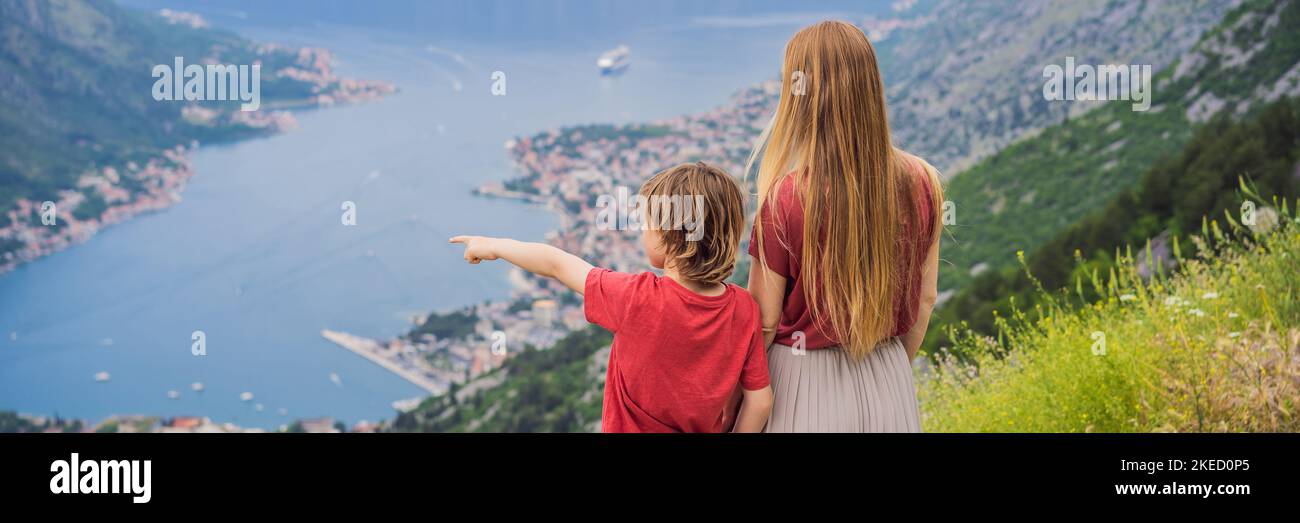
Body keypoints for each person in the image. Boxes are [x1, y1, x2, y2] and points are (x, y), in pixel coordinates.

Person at [451, 162, 773, 432]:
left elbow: (555, 264)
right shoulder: (744, 309)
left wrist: (491, 245)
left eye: (648, 224)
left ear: (670, 236)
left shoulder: (636, 297)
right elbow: (759, 400)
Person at [746, 20, 945, 432]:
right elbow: (925, 300)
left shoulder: (786, 198)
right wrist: (886, 373)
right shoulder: (923, 180)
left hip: (800, 385)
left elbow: (763, 324)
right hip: (889, 377)